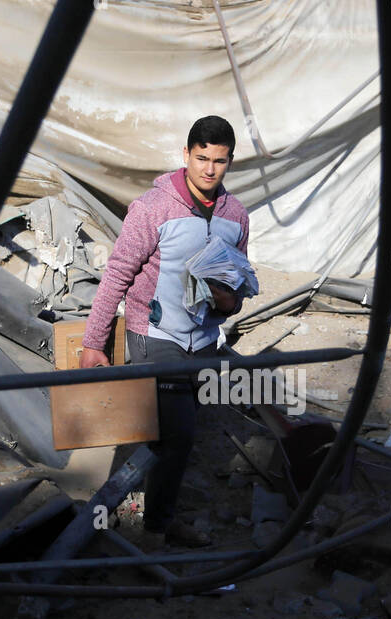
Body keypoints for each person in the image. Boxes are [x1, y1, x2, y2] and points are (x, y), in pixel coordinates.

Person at [80, 116, 252, 548]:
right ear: (185, 155)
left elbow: (237, 283)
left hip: (204, 341)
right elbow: (117, 274)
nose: (209, 169)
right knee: (178, 433)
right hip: (155, 335)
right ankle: (149, 533)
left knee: (171, 436)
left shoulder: (236, 216)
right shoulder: (152, 208)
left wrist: (230, 303)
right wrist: (93, 342)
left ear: (230, 161)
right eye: (201, 158)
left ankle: (155, 516)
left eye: (219, 161)